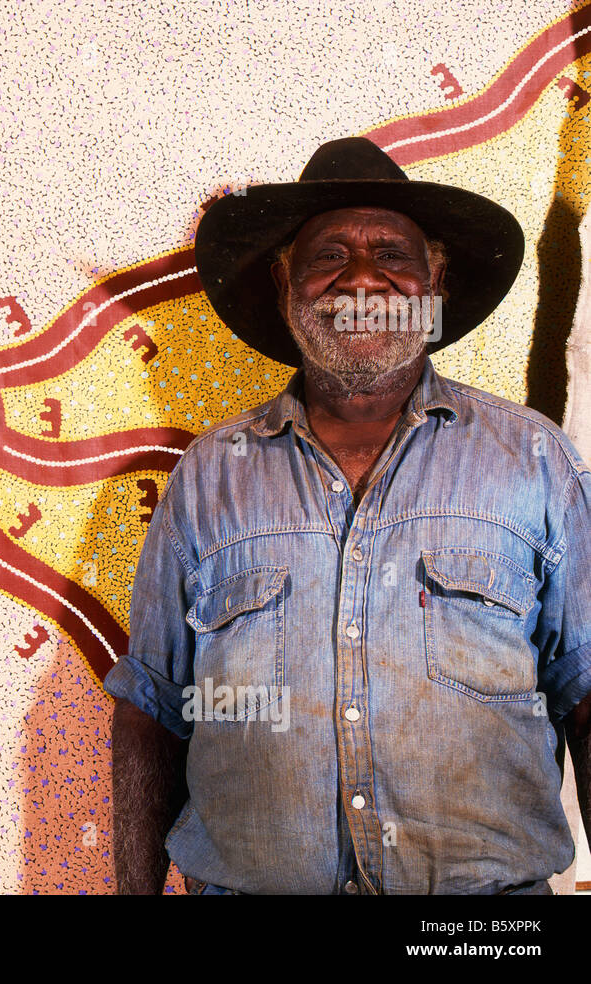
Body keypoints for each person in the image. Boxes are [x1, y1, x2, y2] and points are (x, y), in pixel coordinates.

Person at [105, 136, 591, 894]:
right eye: (329, 256)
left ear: (435, 280)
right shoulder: (208, 477)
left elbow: (586, 690)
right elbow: (152, 710)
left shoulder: (533, 460)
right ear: (283, 283)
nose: (361, 278)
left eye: (392, 255)